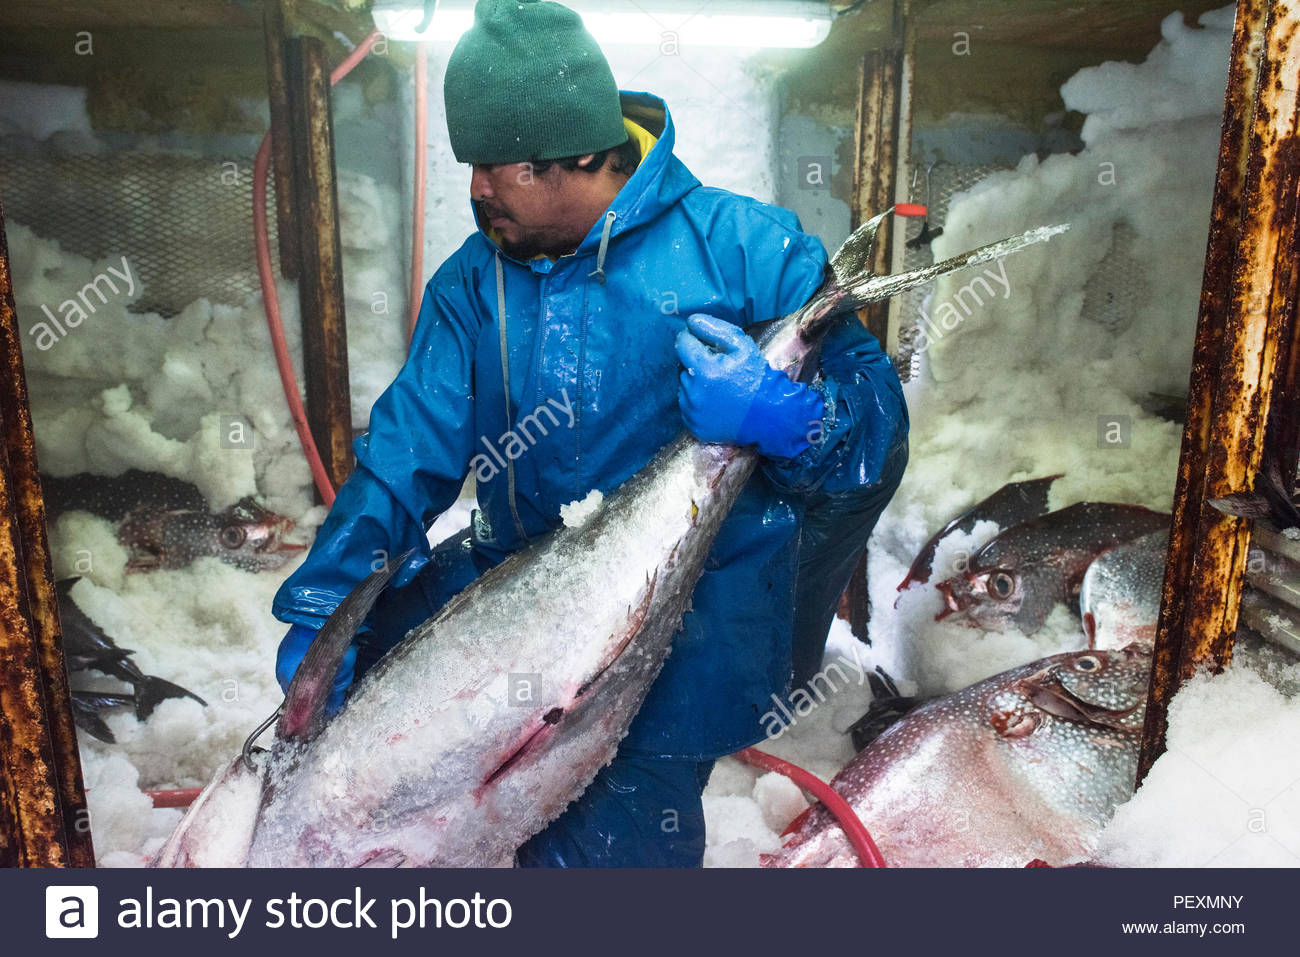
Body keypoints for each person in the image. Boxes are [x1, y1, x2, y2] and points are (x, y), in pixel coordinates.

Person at [273, 0, 908, 867]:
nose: (476, 191)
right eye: (470, 167)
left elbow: (878, 437)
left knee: (602, 865)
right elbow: (405, 453)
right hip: (521, 597)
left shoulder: (749, 253)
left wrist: (786, 417)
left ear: (576, 157)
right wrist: (324, 604)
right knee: (377, 668)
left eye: (496, 169)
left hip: (685, 632)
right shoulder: (475, 282)